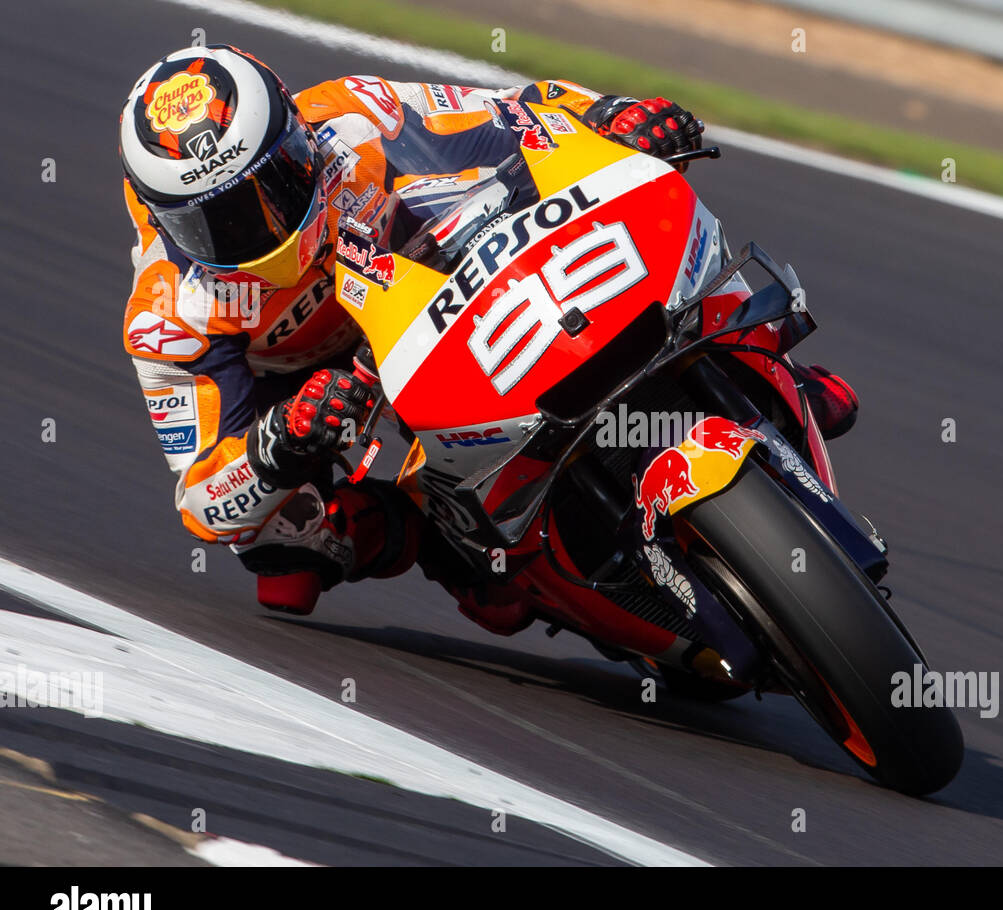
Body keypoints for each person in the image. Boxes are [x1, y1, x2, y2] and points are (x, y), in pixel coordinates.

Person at [118, 44, 859, 615]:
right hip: (322, 386)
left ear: (299, 137)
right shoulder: (168, 312)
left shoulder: (357, 116)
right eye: (214, 219)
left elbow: (519, 109)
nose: (262, 223)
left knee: (631, 222)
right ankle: (449, 542)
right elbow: (202, 499)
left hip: (424, 276)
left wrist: (611, 119)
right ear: (160, 218)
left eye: (272, 183)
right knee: (287, 553)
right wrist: (280, 443)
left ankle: (750, 357)